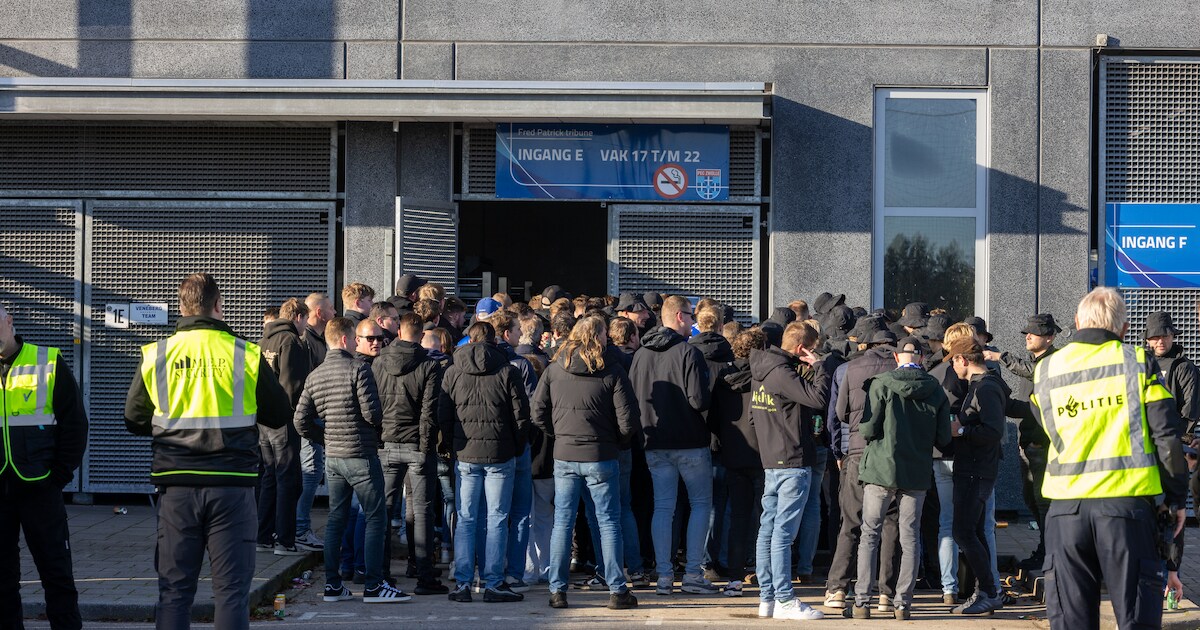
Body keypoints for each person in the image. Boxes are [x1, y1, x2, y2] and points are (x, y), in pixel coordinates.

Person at [124, 273, 292, 628]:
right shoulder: (245, 353)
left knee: (174, 592)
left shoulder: (158, 354)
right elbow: (279, 414)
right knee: (231, 593)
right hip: (232, 485)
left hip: (177, 486)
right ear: (218, 305)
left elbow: (134, 419)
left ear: (182, 307)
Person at [1030, 288, 1189, 630]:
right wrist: (1176, 499)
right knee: (1135, 618)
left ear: (1076, 322)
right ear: (1124, 328)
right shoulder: (1137, 362)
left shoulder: (1046, 369)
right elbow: (1166, 436)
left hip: (1065, 512)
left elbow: (1043, 420)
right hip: (1126, 510)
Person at [294, 316, 410, 604]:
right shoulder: (359, 369)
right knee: (375, 517)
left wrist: (324, 436)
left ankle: (333, 585)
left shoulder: (315, 375)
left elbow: (300, 420)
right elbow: (372, 414)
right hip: (360, 454)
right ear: (346, 339)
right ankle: (374, 585)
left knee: (336, 518)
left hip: (334, 456)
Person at [532, 316, 640, 610]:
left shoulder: (555, 368)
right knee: (608, 522)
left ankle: (557, 589)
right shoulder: (612, 370)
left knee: (563, 522)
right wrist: (614, 441)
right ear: (598, 337)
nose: (608, 338)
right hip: (601, 454)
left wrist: (560, 434)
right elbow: (628, 420)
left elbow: (537, 412)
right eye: (604, 334)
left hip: (565, 453)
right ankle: (617, 589)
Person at [848, 336, 950, 620]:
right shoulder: (936, 389)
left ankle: (862, 602)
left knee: (870, 534)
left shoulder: (881, 383)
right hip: (916, 471)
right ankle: (902, 604)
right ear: (921, 358)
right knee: (910, 537)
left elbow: (868, 429)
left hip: (881, 469)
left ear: (896, 358)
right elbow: (943, 438)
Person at [0, 302, 88, 630]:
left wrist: (59, 475)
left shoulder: (46, 361)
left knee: (56, 573)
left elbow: (75, 423)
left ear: (9, 321)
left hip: (40, 487)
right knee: (2, 579)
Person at [628, 295, 716, 596]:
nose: (693, 321)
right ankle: (692, 574)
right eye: (691, 316)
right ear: (679, 316)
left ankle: (664, 576)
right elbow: (699, 400)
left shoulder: (641, 354)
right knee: (700, 504)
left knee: (663, 507)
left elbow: (633, 396)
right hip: (689, 440)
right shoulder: (688, 352)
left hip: (654, 441)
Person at [439, 322, 531, 603]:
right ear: (494, 341)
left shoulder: (452, 370)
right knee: (497, 518)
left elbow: (443, 414)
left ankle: (463, 582)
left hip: (466, 453)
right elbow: (521, 416)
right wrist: (516, 447)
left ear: (470, 340)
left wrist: (450, 447)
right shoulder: (508, 371)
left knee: (466, 518)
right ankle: (493, 582)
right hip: (500, 453)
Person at [748, 321, 828, 620]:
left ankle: (767, 599)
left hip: (772, 459)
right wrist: (819, 366)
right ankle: (784, 599)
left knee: (768, 530)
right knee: (782, 533)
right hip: (791, 460)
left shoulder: (762, 370)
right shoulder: (782, 372)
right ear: (802, 348)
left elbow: (754, 418)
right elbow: (818, 398)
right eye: (813, 349)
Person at [825, 329, 902, 612]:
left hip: (857, 451)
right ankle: (886, 593)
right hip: (893, 454)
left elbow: (838, 415)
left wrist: (838, 451)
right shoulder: (902, 369)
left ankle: (838, 588)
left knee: (851, 521)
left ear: (866, 344)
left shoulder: (849, 368)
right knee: (891, 522)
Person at [373, 312, 448, 595]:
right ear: (420, 335)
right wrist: (426, 447)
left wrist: (379, 437)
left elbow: (374, 404)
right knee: (422, 510)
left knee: (384, 509)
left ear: (400, 331)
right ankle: (424, 575)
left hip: (387, 442)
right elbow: (429, 411)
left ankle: (381, 573)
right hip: (416, 443)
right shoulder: (429, 365)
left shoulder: (379, 361)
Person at [984, 312, 1062, 569]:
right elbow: (1028, 407)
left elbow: (1036, 373)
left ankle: (1049, 553)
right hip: (1028, 441)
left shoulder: (1053, 363)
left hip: (1043, 442)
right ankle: (1046, 549)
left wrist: (1000, 357)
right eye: (1027, 332)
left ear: (1050, 337)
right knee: (1032, 500)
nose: (1028, 336)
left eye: (1034, 332)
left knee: (1043, 501)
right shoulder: (1035, 363)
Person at [944, 336, 1007, 615]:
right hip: (972, 468)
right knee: (975, 532)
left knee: (963, 532)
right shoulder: (981, 385)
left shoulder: (985, 387)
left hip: (976, 471)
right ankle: (986, 592)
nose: (952, 367)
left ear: (963, 359)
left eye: (953, 361)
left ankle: (990, 593)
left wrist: (961, 431)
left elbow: (993, 431)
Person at [711, 327, 765, 597]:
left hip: (733, 453)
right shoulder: (764, 378)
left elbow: (714, 418)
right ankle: (766, 573)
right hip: (763, 453)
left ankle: (734, 577)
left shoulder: (723, 378)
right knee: (767, 517)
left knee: (738, 518)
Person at [257, 298, 313, 555]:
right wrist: (297, 416)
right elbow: (293, 385)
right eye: (306, 319)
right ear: (298, 317)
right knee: (288, 479)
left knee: (269, 476)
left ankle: (263, 536)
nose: (306, 325)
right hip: (284, 420)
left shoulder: (263, 341)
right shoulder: (290, 341)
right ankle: (285, 540)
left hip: (264, 420)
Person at [1143, 311, 1200, 509]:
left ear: (1173, 336)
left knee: (1170, 510)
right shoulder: (1140, 365)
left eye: (1165, 336)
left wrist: (1177, 441)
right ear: (1148, 339)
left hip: (1171, 448)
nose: (1161, 341)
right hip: (1142, 448)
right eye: (1155, 336)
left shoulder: (1184, 367)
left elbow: (1189, 411)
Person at [296, 292, 334, 550]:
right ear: (319, 313)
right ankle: (300, 529)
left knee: (313, 470)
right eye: (330, 307)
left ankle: (299, 527)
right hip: (311, 416)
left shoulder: (317, 339)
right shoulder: (306, 341)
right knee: (310, 471)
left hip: (316, 415)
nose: (335, 311)